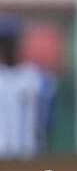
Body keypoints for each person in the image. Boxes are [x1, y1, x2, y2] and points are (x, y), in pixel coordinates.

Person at [0, 17, 57, 158]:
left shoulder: (36, 77)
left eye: (10, 42)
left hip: (27, 155)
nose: (7, 47)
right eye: (4, 43)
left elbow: (47, 121)